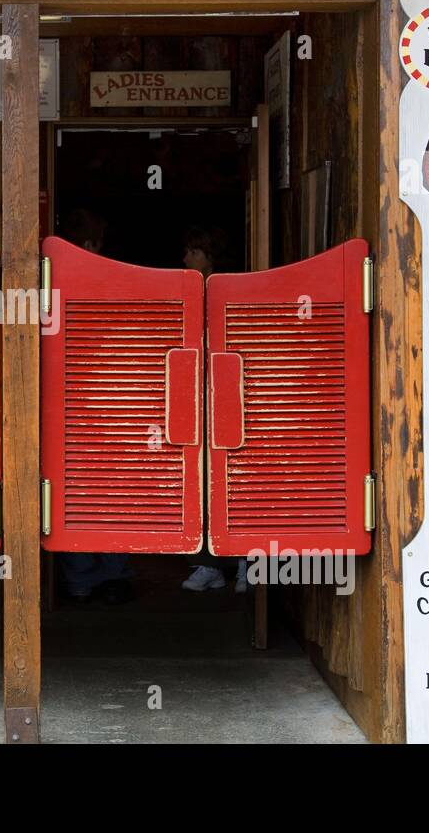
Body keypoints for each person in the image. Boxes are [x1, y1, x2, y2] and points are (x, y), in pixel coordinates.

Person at [56, 208, 135, 605]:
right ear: (89, 245)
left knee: (76, 489)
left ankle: (82, 578)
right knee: (113, 489)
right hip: (105, 402)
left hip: (70, 404)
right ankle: (113, 571)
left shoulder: (54, 280)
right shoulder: (106, 281)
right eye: (98, 243)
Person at [178, 226, 249, 595]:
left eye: (193, 252)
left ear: (210, 258)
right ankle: (209, 566)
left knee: (237, 486)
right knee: (199, 487)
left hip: (232, 400)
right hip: (192, 403)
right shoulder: (181, 293)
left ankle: (244, 564)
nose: (186, 258)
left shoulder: (234, 290)